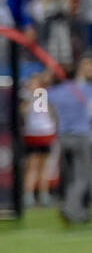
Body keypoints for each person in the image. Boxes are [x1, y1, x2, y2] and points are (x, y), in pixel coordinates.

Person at [47, 56, 92, 225]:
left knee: (70, 176)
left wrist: (55, 121)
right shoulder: (86, 90)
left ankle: (80, 212)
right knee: (83, 178)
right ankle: (69, 207)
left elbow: (39, 106)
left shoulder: (56, 91)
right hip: (81, 136)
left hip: (63, 137)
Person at [20, 72, 56, 208]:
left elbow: (51, 113)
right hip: (33, 133)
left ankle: (43, 194)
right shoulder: (27, 95)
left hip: (46, 133)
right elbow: (23, 112)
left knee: (44, 166)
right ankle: (28, 195)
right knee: (32, 166)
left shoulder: (45, 94)